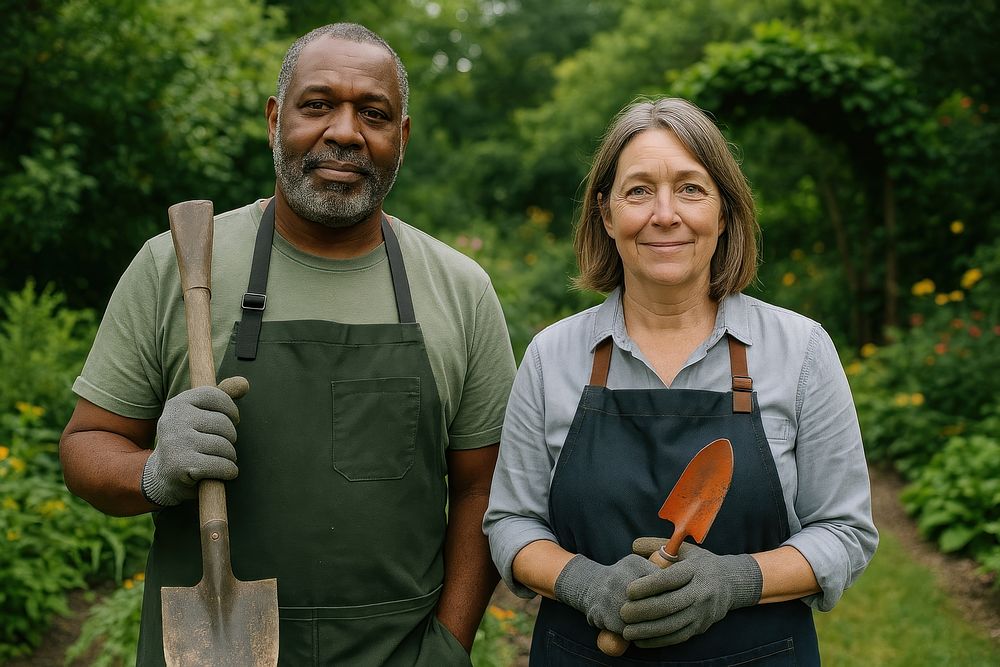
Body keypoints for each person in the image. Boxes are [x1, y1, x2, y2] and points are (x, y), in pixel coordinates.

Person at [60, 23, 516, 666]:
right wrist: (154, 471)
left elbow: (484, 488)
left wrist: (447, 646)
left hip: (395, 654)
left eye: (374, 114)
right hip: (214, 654)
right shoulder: (178, 267)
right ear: (276, 118)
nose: (345, 132)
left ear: (401, 138)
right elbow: (86, 445)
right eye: (318, 104)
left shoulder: (459, 290)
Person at [484, 97, 878, 665]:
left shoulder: (800, 350)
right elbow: (510, 523)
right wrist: (584, 584)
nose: (664, 213)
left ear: (724, 212)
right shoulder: (554, 355)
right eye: (639, 190)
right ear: (605, 213)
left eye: (691, 189)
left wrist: (736, 581)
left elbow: (843, 531)